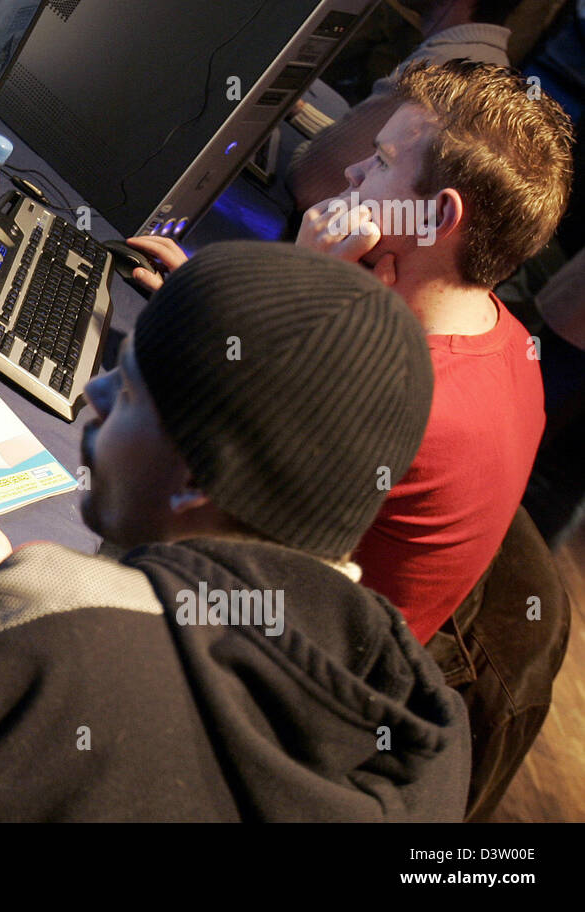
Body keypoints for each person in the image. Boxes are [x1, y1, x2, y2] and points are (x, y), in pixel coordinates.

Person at [0, 242, 470, 822]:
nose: (93, 391)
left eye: (128, 392)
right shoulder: (428, 733)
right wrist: (45, 618)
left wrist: (12, 632)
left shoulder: (46, 646)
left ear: (199, 476)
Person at [131, 59, 575, 646]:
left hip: (246, 663)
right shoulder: (507, 338)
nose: (352, 169)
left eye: (382, 163)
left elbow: (177, 480)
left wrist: (292, 286)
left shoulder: (397, 406)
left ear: (438, 216)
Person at [286, 0, 545, 212]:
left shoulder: (438, 73)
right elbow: (367, 153)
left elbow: (312, 183)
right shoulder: (488, 62)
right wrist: (299, 112)